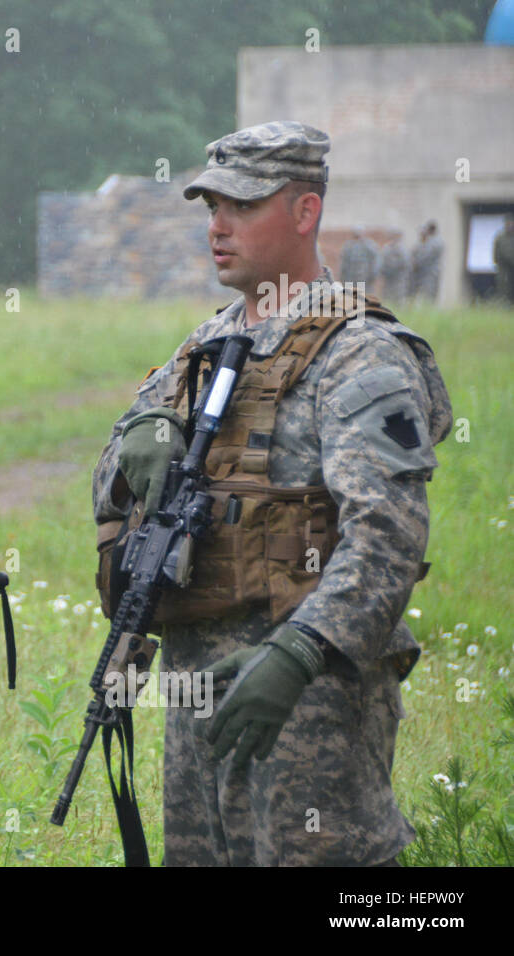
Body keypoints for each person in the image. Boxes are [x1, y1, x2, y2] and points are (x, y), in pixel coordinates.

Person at [92, 121, 452, 866]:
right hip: (196, 686)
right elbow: (111, 486)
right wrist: (135, 448)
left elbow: (388, 535)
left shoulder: (361, 351)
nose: (218, 226)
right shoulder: (202, 349)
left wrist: (300, 653)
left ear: (304, 211)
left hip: (306, 697)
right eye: (210, 206)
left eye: (241, 206)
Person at [409, 220, 444, 303]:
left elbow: (424, 257)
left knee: (429, 293)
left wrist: (415, 262)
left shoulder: (435, 242)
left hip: (430, 272)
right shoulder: (427, 242)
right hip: (424, 272)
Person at [337, 226, 378, 290]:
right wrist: (342, 275)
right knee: (350, 296)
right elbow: (343, 262)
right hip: (350, 277)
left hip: (364, 277)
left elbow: (374, 260)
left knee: (363, 296)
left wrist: (373, 274)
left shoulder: (369, 246)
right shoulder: (348, 246)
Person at [377, 235, 409, 304]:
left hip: (398, 277)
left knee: (398, 295)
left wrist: (397, 269)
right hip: (388, 277)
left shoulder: (402, 249)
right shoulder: (386, 249)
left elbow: (405, 263)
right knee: (387, 296)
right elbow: (381, 262)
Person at [492, 214, 514, 305]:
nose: (510, 225)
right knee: (504, 288)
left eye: (511, 223)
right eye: (508, 223)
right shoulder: (500, 238)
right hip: (504, 268)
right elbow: (496, 253)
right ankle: (504, 305)